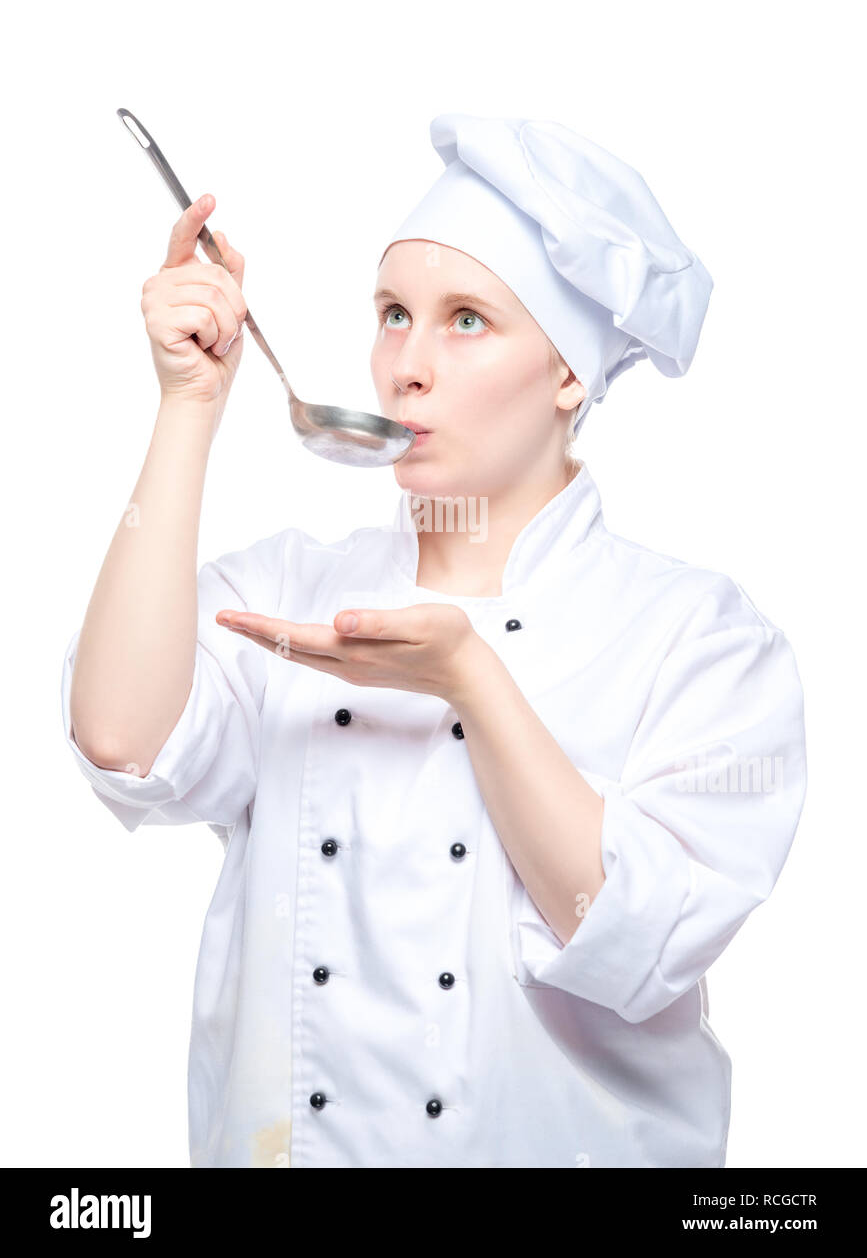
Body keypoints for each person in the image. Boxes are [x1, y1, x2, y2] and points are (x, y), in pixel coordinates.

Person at [61, 113, 807, 1169]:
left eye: (466, 321)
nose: (405, 366)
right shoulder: (292, 587)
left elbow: (640, 943)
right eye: (392, 313)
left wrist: (472, 680)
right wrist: (190, 405)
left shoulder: (698, 640)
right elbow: (121, 741)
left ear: (567, 376)